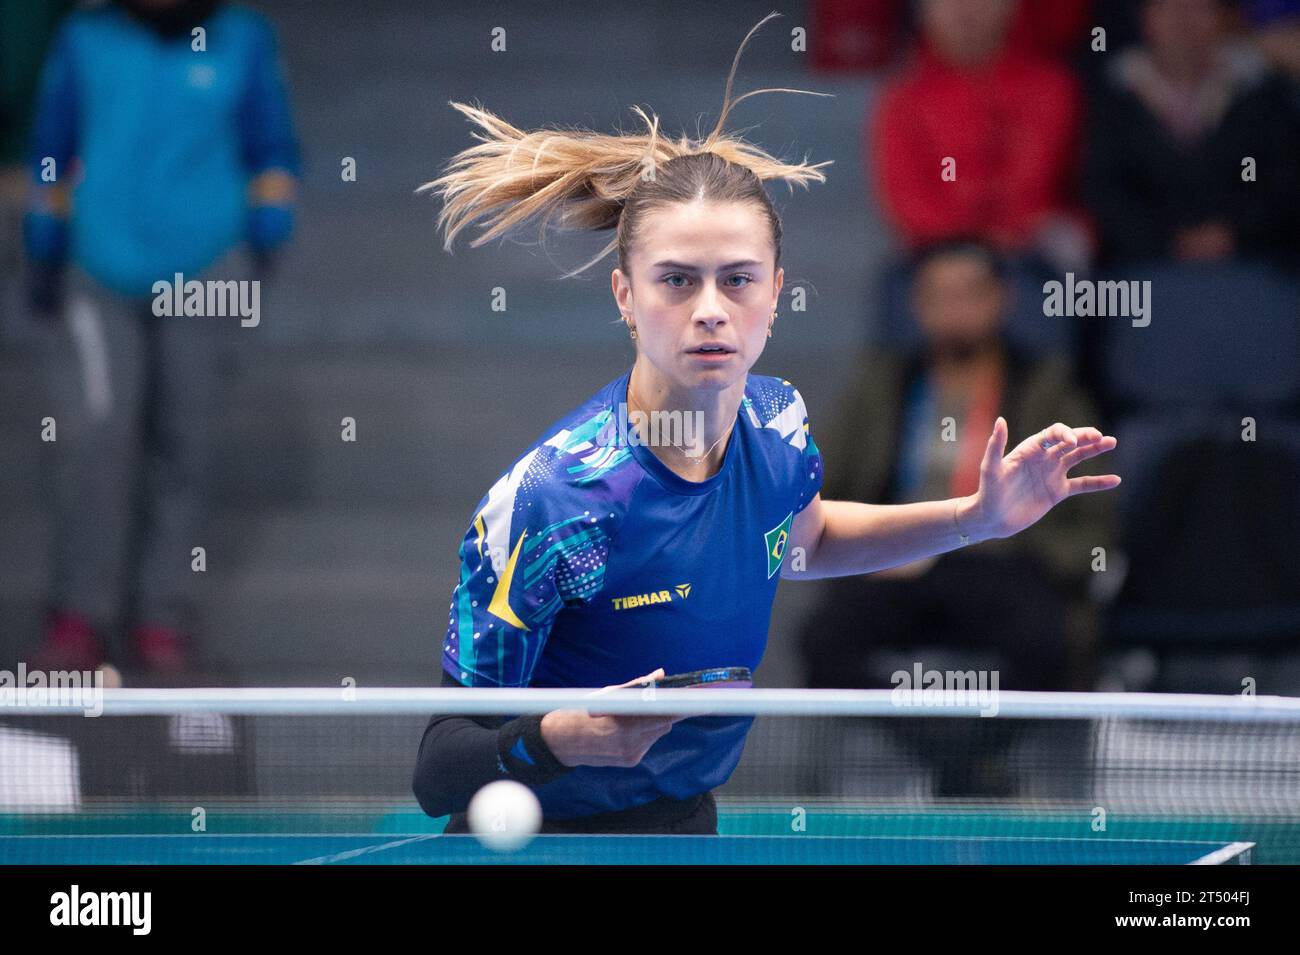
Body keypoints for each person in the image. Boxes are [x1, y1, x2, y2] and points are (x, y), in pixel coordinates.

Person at [412, 13, 1120, 835]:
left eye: (737, 280)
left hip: (683, 824)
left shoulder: (777, 423)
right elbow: (438, 767)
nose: (711, 310)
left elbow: (807, 539)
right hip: (534, 842)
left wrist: (976, 518)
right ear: (624, 296)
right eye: (676, 280)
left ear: (776, 294)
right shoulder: (557, 501)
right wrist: (556, 739)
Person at [22, 0, 299, 674]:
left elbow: (272, 151)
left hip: (204, 270)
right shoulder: (86, 38)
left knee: (185, 444)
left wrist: (264, 234)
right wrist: (46, 234)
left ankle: (160, 618)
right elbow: (53, 151)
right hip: (99, 270)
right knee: (97, 435)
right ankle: (79, 616)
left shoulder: (240, 40)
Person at [1084, 0, 1300, 269]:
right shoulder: (1111, 95)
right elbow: (1105, 189)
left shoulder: (1265, 91)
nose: (1182, 20)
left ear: (1225, 17)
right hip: (1139, 277)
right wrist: (1169, 241)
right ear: (1144, 16)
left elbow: (1282, 181)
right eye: (1166, 6)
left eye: (1200, 6)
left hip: (1257, 272)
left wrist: (1232, 234)